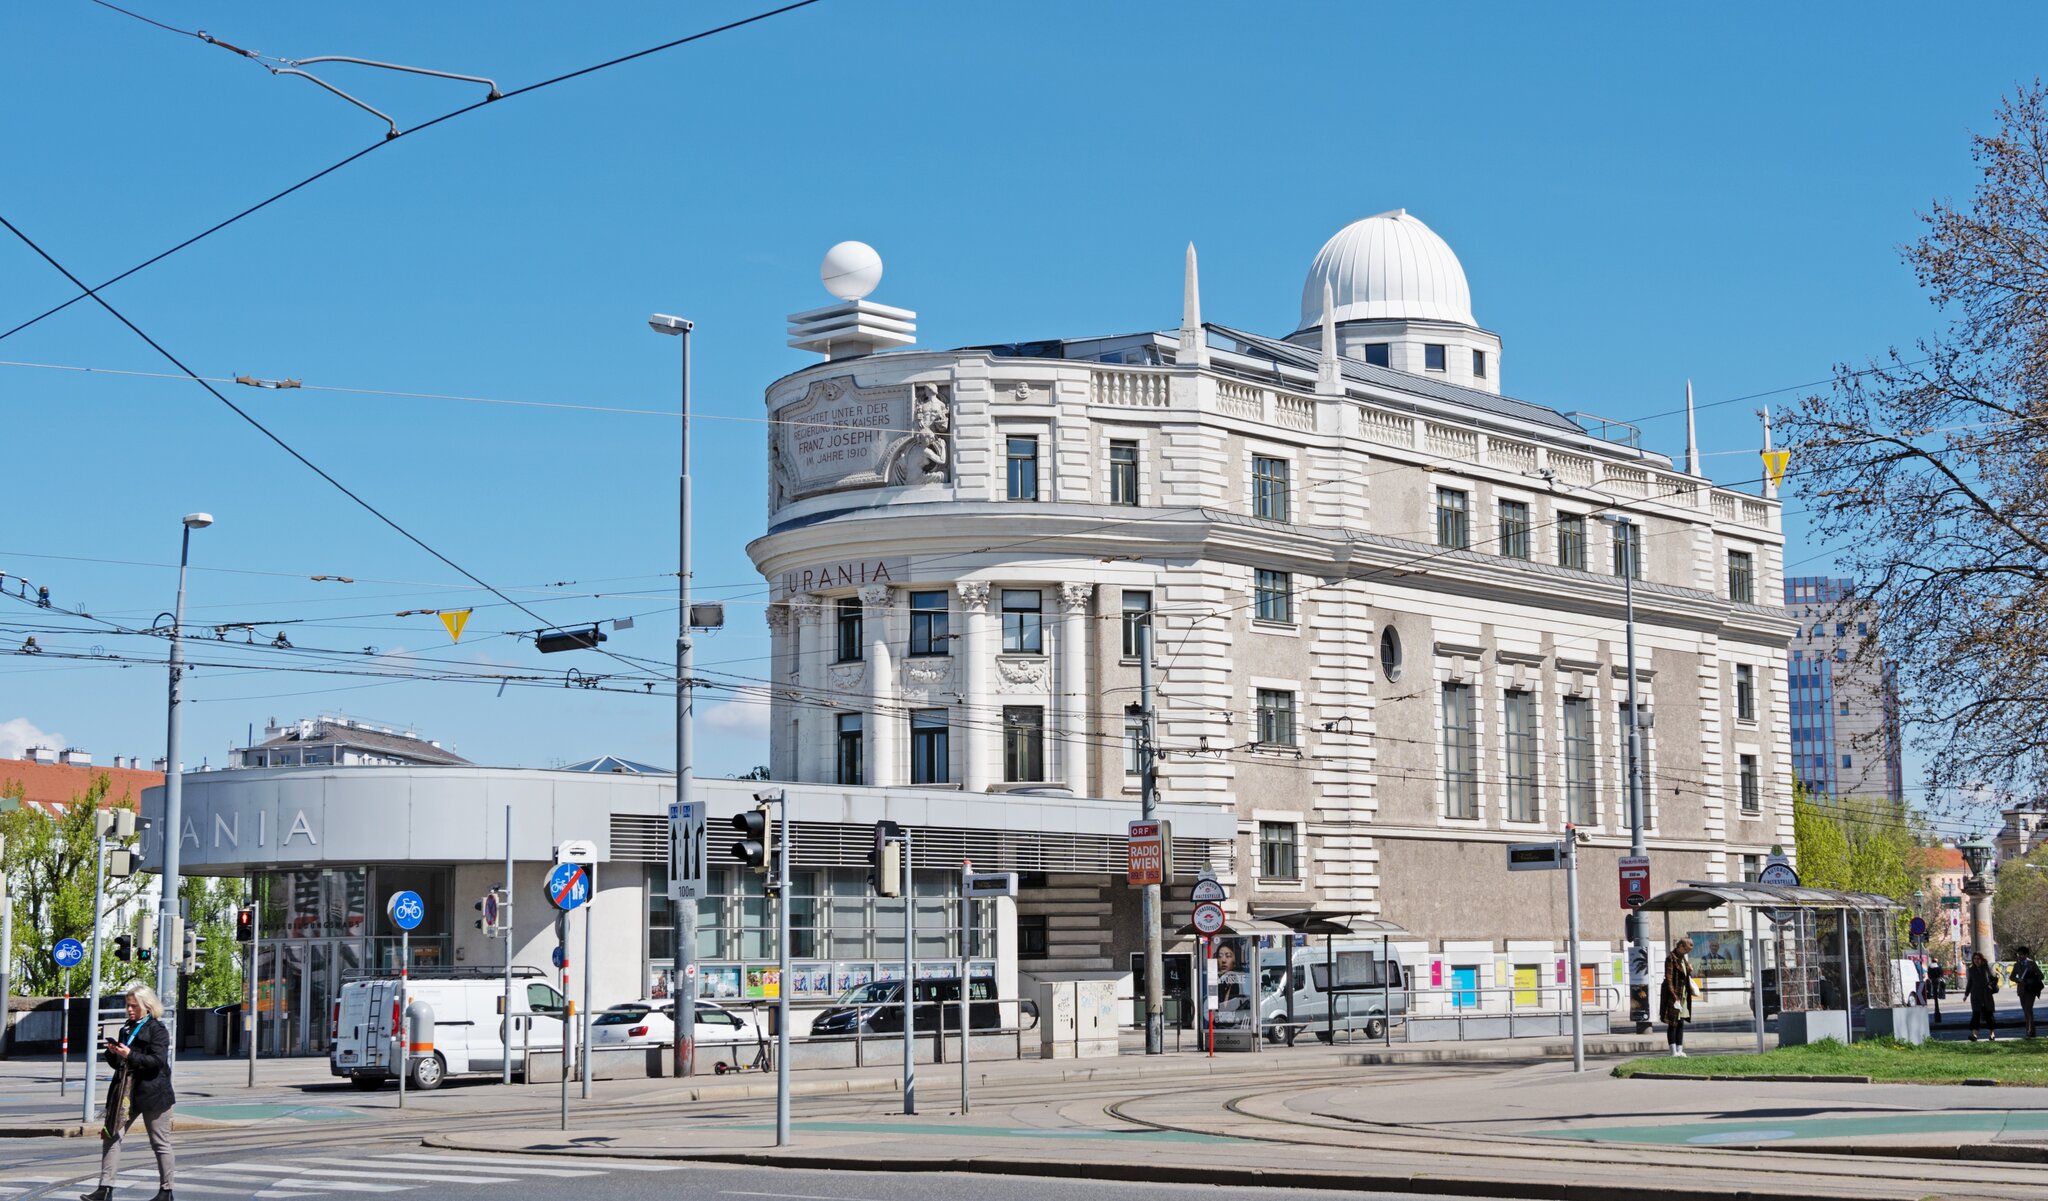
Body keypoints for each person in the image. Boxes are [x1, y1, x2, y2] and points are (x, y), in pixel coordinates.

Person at [84, 984, 175, 1201]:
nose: (130, 1010)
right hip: (125, 1092)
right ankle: (105, 1189)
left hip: (154, 1093)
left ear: (147, 1006)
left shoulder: (157, 1029)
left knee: (160, 1143)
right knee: (111, 1136)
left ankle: (166, 1191)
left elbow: (156, 1062)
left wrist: (129, 1054)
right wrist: (113, 1053)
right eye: (128, 1005)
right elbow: (120, 1065)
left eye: (134, 1006)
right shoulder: (126, 1028)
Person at [1659, 938, 1699, 1057]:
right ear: (1680, 946)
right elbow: (1669, 979)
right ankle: (1673, 1051)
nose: (1687, 952)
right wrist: (1674, 995)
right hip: (1675, 995)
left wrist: (1690, 970)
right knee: (1673, 1023)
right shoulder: (1671, 958)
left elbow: (1685, 975)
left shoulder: (1683, 959)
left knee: (1681, 1023)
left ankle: (1680, 1050)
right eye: (1686, 949)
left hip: (1684, 995)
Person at [1965, 950, 2000, 1042]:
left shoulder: (1987, 968)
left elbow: (1995, 978)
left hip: (1986, 995)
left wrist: (1990, 986)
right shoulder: (1971, 970)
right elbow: (1970, 983)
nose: (1976, 960)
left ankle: (1992, 1034)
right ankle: (1974, 1035)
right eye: (1975, 959)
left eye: (1978, 958)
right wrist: (1966, 994)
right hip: (1975, 995)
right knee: (1976, 1015)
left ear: (1982, 959)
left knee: (1989, 1015)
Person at [2014, 946, 2044, 1039]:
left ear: (2026, 955)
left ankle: (2029, 1031)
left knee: (2028, 1009)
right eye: (2018, 954)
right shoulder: (2017, 965)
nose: (2019, 956)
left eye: (2021, 954)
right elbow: (2012, 977)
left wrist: (2032, 980)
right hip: (2021, 990)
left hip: (2030, 990)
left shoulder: (2032, 964)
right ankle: (2032, 1031)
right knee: (2026, 1011)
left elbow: (2041, 976)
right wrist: (2017, 979)